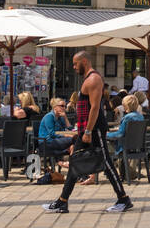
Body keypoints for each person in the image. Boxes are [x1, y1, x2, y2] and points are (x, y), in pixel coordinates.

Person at [43, 52, 133, 215]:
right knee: (75, 160)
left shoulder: (93, 79)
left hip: (94, 129)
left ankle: (124, 199)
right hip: (86, 129)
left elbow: (95, 107)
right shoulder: (89, 79)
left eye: (76, 63)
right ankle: (62, 202)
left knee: (106, 162)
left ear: (84, 61)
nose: (74, 67)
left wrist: (89, 131)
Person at [35, 98, 75, 183]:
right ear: (55, 107)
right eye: (62, 106)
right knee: (74, 140)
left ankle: (72, 170)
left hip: (56, 141)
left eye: (64, 106)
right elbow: (51, 134)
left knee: (73, 146)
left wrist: (65, 117)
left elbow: (71, 129)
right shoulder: (49, 117)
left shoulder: (60, 117)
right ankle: (69, 165)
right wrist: (65, 135)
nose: (64, 108)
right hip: (47, 143)